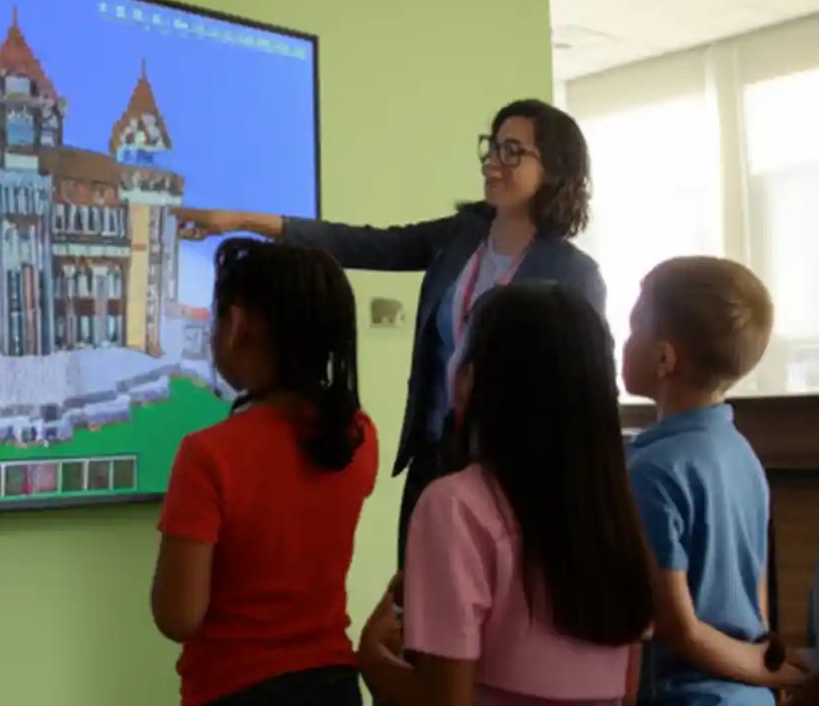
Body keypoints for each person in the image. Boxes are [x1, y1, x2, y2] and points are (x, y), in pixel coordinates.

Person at [175, 98, 606, 568]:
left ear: (555, 168)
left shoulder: (573, 274)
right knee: (418, 603)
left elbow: (586, 392)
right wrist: (241, 221)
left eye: (512, 152)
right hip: (433, 455)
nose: (492, 163)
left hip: (516, 469)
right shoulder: (462, 236)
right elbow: (367, 244)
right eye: (491, 147)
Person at [356, 282, 653, 705]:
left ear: (471, 380)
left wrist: (372, 657)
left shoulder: (455, 506)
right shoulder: (613, 514)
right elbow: (627, 693)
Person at [150, 238, 379, 706]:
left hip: (234, 692)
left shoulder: (208, 455)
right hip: (334, 687)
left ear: (235, 324)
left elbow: (178, 616)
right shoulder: (359, 436)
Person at [622, 256, 809, 703]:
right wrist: (766, 675)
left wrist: (775, 676)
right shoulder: (742, 455)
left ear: (664, 357)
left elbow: (677, 629)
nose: (624, 342)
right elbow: (756, 605)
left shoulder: (651, 472)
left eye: (633, 329)